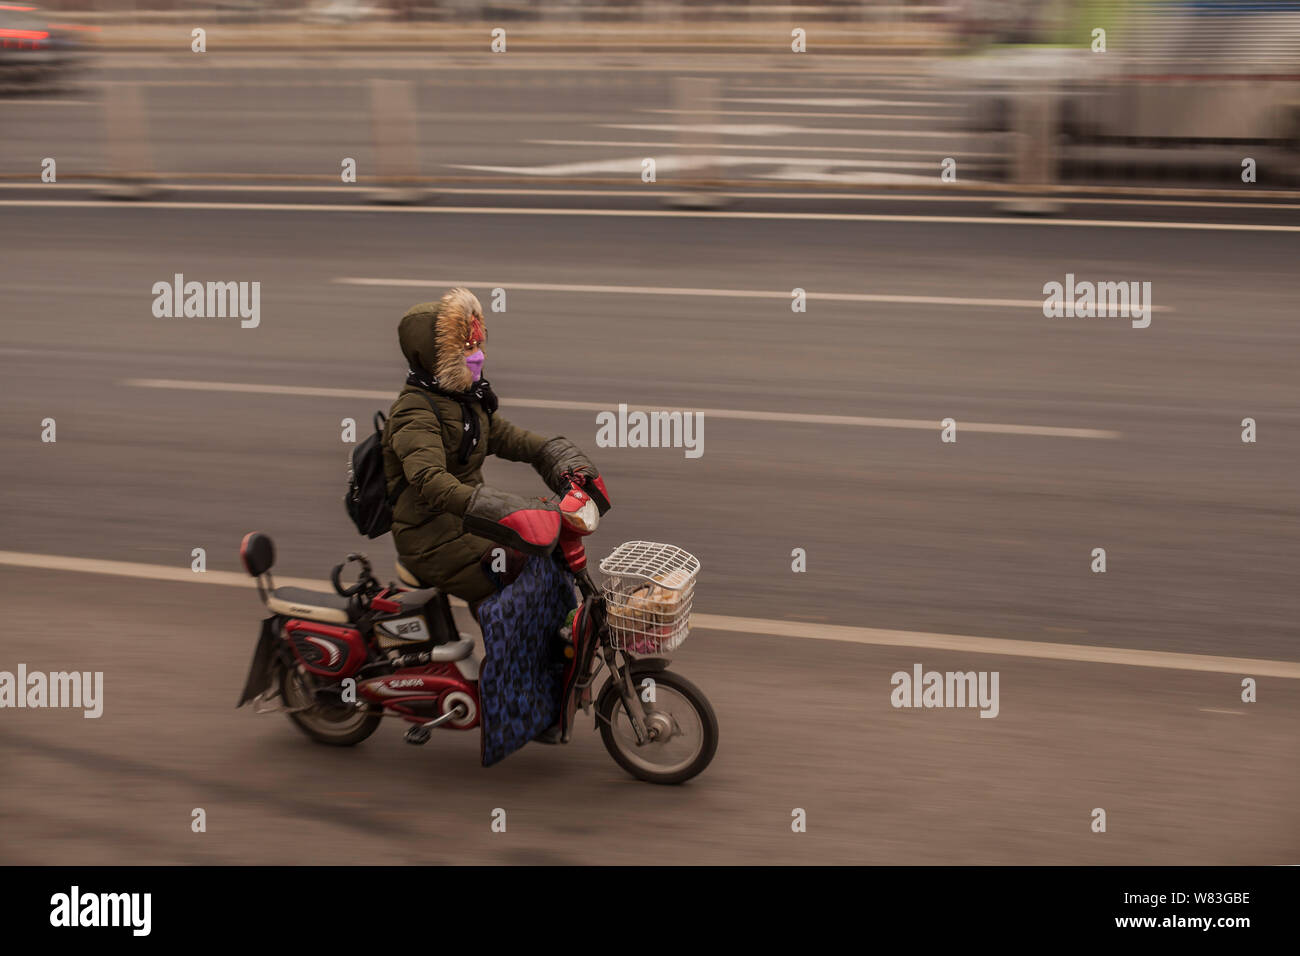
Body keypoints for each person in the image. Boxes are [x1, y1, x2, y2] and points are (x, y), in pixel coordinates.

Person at [381, 288, 605, 614]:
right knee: (522, 587)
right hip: (431, 540)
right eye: (466, 348)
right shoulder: (414, 413)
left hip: (468, 524)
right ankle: (513, 665)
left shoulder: (463, 399)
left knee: (550, 559)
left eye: (477, 345)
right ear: (435, 356)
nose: (477, 355)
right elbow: (430, 481)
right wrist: (511, 510)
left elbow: (512, 438)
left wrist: (563, 458)